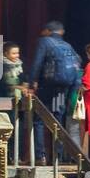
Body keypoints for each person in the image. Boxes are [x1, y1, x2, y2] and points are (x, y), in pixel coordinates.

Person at [28, 21, 82, 164]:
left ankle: (41, 156)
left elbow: (37, 62)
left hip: (48, 86)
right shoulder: (68, 46)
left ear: (47, 31)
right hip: (63, 88)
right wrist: (73, 89)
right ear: (61, 32)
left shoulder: (45, 41)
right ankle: (56, 156)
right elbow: (77, 65)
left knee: (39, 120)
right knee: (57, 121)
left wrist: (31, 83)